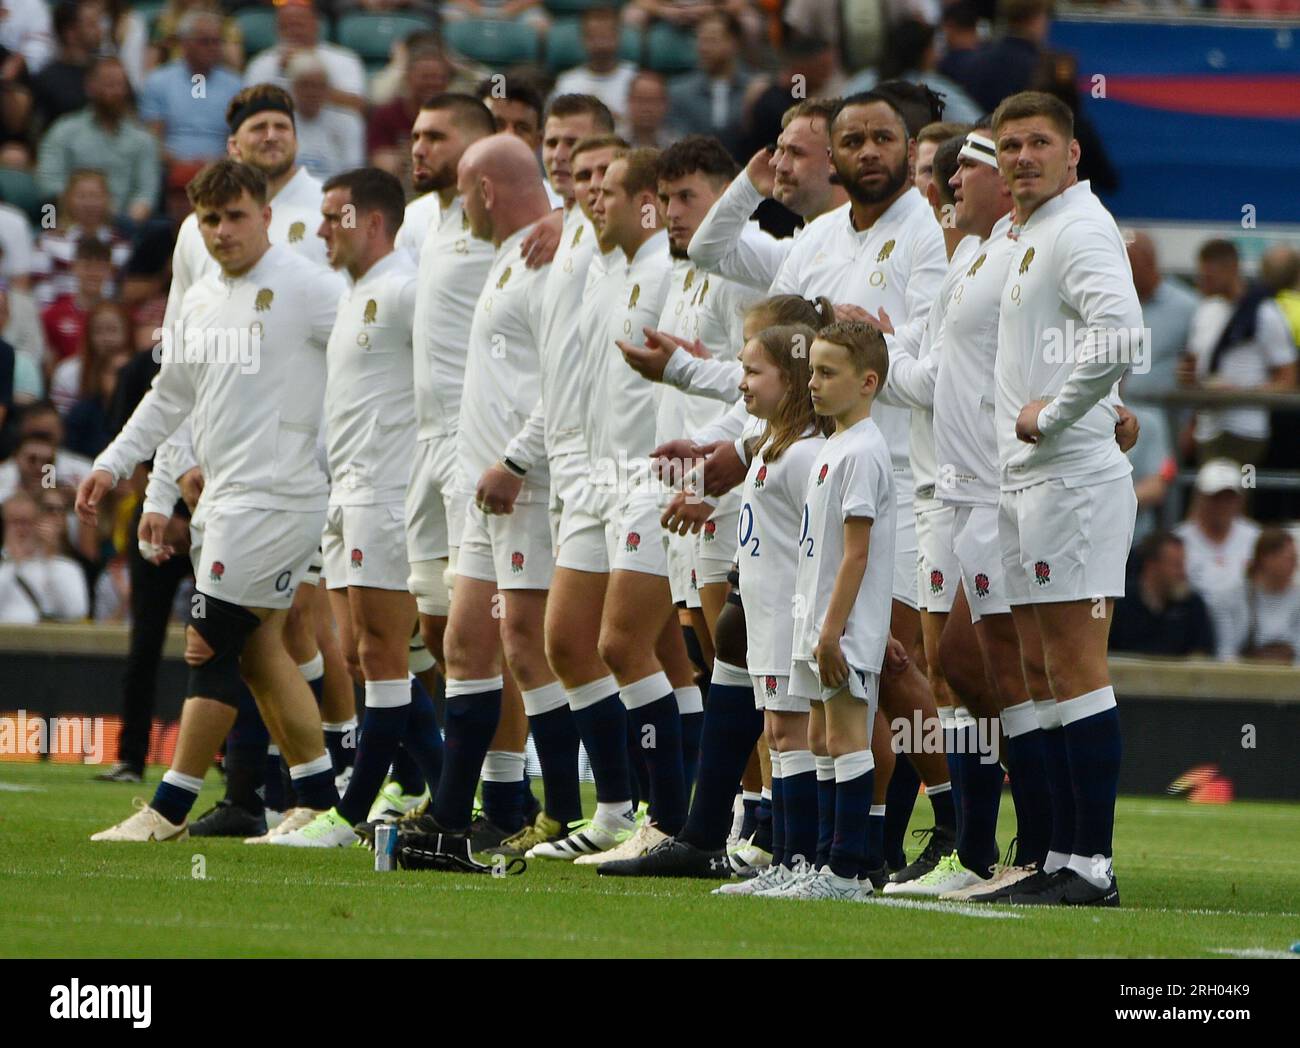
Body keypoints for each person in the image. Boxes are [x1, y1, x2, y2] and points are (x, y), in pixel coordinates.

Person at [79, 158, 346, 843]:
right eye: (210, 220)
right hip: (223, 496)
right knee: (258, 650)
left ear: (265, 214)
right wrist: (114, 464)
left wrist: (335, 457)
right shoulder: (198, 300)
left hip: (280, 497)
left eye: (235, 216)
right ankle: (319, 799)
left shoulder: (308, 287)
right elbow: (171, 397)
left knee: (208, 643)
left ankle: (167, 808)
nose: (223, 231)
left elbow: (371, 363)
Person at [991, 90, 1141, 907]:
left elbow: (1120, 332)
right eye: (1009, 145)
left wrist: (1056, 412)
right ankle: (1058, 855)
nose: (1021, 157)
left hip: (1072, 477)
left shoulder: (1080, 226)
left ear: (1072, 153)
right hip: (1032, 478)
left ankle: (1092, 863)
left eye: (1038, 142)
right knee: (1046, 669)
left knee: (1076, 667)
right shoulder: (1027, 233)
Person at [272, 167, 446, 848]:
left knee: (381, 653)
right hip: (347, 490)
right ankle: (460, 796)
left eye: (332, 217)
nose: (319, 230)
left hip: (388, 491)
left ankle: (349, 816)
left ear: (371, 221)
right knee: (358, 657)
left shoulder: (407, 290)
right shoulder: (355, 294)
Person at [780, 321, 900, 900]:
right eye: (812, 372)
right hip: (817, 623)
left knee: (850, 739)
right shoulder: (833, 445)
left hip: (842, 627)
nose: (814, 384)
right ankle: (825, 864)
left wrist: (832, 632)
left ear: (868, 383)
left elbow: (857, 554)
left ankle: (848, 870)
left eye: (828, 373)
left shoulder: (865, 451)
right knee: (824, 741)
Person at [1180, 238, 1298, 468]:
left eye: (1210, 276)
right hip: (1207, 429)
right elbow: (1195, 372)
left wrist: (1241, 394)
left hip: (1245, 430)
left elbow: (1288, 379)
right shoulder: (1204, 311)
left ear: (1231, 268)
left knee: (1221, 501)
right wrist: (1189, 382)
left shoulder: (1264, 312)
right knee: (1217, 500)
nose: (1204, 282)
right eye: (1202, 276)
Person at [35, 56, 160, 226]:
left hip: (123, 226)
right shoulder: (64, 131)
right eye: (108, 84)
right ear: (90, 87)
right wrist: (82, 211)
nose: (115, 91)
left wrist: (127, 223)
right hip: (69, 221)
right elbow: (49, 183)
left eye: (120, 85)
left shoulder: (142, 140)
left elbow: (145, 193)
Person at [139, 9, 242, 165]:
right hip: (170, 169)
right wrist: (180, 165)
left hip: (223, 169)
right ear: (185, 43)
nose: (212, 47)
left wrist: (218, 163)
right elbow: (153, 137)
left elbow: (240, 137)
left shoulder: (235, 85)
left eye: (217, 41)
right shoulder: (159, 81)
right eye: (205, 41)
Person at [30, 169, 132, 310]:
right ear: (68, 200)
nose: (89, 203)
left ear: (107, 199)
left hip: (105, 316)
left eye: (95, 196)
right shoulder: (49, 241)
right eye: (81, 196)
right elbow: (41, 289)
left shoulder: (122, 245)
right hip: (58, 318)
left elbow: (121, 291)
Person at [242, 0, 366, 114]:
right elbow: (248, 109)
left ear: (315, 25)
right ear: (277, 29)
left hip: (332, 133)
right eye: (287, 26)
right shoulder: (261, 64)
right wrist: (282, 73)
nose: (294, 31)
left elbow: (358, 106)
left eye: (299, 24)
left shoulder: (344, 59)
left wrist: (313, 85)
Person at [1110, 531, 1216, 658]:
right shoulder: (1120, 604)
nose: (1183, 573)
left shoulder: (1192, 605)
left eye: (1183, 565)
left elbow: (1202, 653)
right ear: (1152, 566)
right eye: (1177, 565)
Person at [1122, 230, 1199, 401]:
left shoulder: (1188, 306)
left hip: (1165, 418)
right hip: (1119, 416)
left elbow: (1198, 366)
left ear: (1149, 261)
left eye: (1129, 263)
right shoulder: (1117, 307)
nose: (1123, 271)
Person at [1175, 458, 1261, 607]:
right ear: (1199, 497)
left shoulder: (1255, 538)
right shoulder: (1178, 541)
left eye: (1229, 498)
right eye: (1215, 498)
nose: (1222, 505)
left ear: (1240, 500)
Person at [666, 10, 751, 160]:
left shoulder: (755, 91)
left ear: (734, 43)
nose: (703, 48)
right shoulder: (678, 92)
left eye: (712, 41)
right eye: (700, 40)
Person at [0, 489, 89, 622]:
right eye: (14, 522)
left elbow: (76, 611)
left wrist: (50, 560)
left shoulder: (64, 566)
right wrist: (13, 563)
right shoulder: (3, 567)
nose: (21, 529)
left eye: (27, 522)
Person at [1212, 528, 1300, 664]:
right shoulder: (1229, 599)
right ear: (1267, 559)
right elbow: (1225, 652)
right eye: (1289, 559)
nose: (1295, 566)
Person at [551, 7, 638, 124]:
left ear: (618, 37)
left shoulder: (635, 79)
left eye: (606, 36)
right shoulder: (567, 83)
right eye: (594, 37)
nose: (601, 43)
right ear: (583, 39)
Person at [287, 53, 365, 182]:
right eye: (305, 85)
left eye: (318, 86)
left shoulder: (348, 122)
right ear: (293, 88)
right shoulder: (282, 122)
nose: (312, 92)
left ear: (328, 89)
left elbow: (354, 174)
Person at [30, 0, 102, 128]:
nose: (99, 30)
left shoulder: (107, 72)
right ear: (71, 33)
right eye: (91, 25)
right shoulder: (47, 79)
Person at [41, 237, 112, 364]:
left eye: (100, 267)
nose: (93, 273)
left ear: (109, 271)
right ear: (74, 267)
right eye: (87, 266)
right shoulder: (52, 315)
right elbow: (48, 362)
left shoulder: (118, 315)